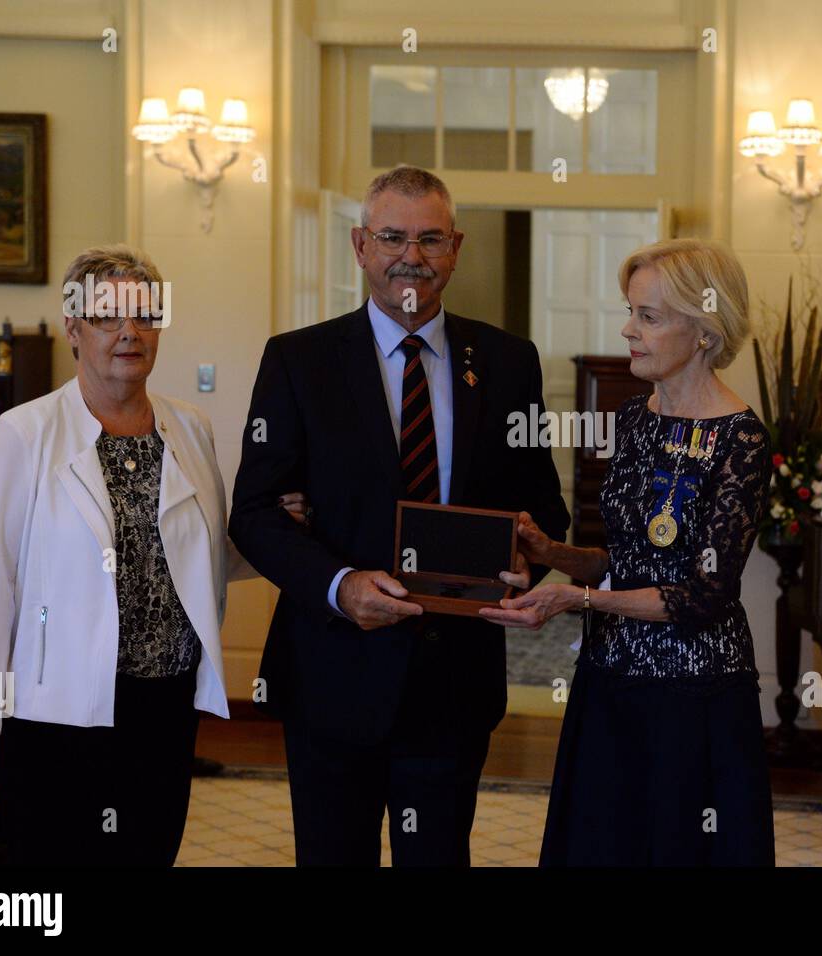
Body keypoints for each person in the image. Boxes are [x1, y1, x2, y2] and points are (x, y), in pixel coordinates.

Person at [230, 165, 570, 867]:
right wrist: (339, 584)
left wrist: (528, 554)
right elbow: (256, 512)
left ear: (456, 248)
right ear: (360, 246)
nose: (410, 255)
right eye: (392, 237)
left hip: (454, 682)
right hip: (331, 671)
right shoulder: (298, 361)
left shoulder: (509, 363)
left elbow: (544, 510)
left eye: (429, 238)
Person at [0, 245, 305, 866]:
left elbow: (201, 556)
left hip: (163, 705)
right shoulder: (23, 434)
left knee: (147, 854)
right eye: (109, 318)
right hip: (58, 709)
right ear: (74, 327)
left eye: (143, 315)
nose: (129, 333)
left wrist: (276, 529)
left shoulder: (188, 426)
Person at [481, 238, 775, 866]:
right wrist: (550, 550)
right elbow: (629, 562)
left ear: (703, 330)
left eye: (649, 316)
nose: (628, 330)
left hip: (694, 699)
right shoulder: (635, 419)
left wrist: (577, 598)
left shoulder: (743, 439)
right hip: (609, 681)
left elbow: (701, 595)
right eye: (631, 311)